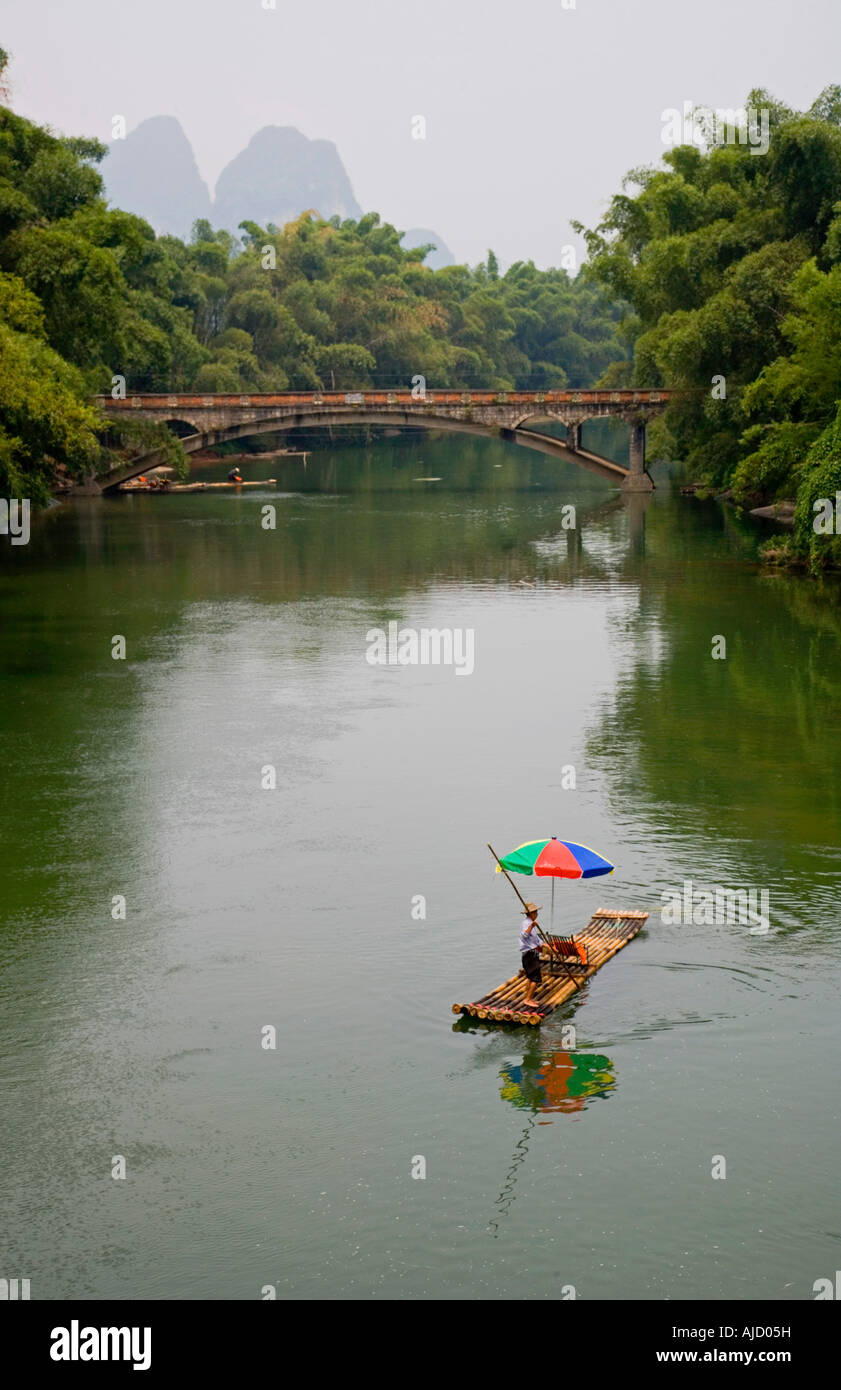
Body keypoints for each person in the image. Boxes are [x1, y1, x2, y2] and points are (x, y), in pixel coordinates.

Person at [519, 901, 543, 1009]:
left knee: (531, 976)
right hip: (529, 954)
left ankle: (528, 997)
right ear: (532, 913)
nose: (537, 914)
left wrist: (544, 944)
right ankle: (527, 999)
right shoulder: (527, 923)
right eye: (536, 912)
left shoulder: (530, 922)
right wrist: (532, 925)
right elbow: (524, 936)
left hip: (533, 953)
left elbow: (536, 939)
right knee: (535, 977)